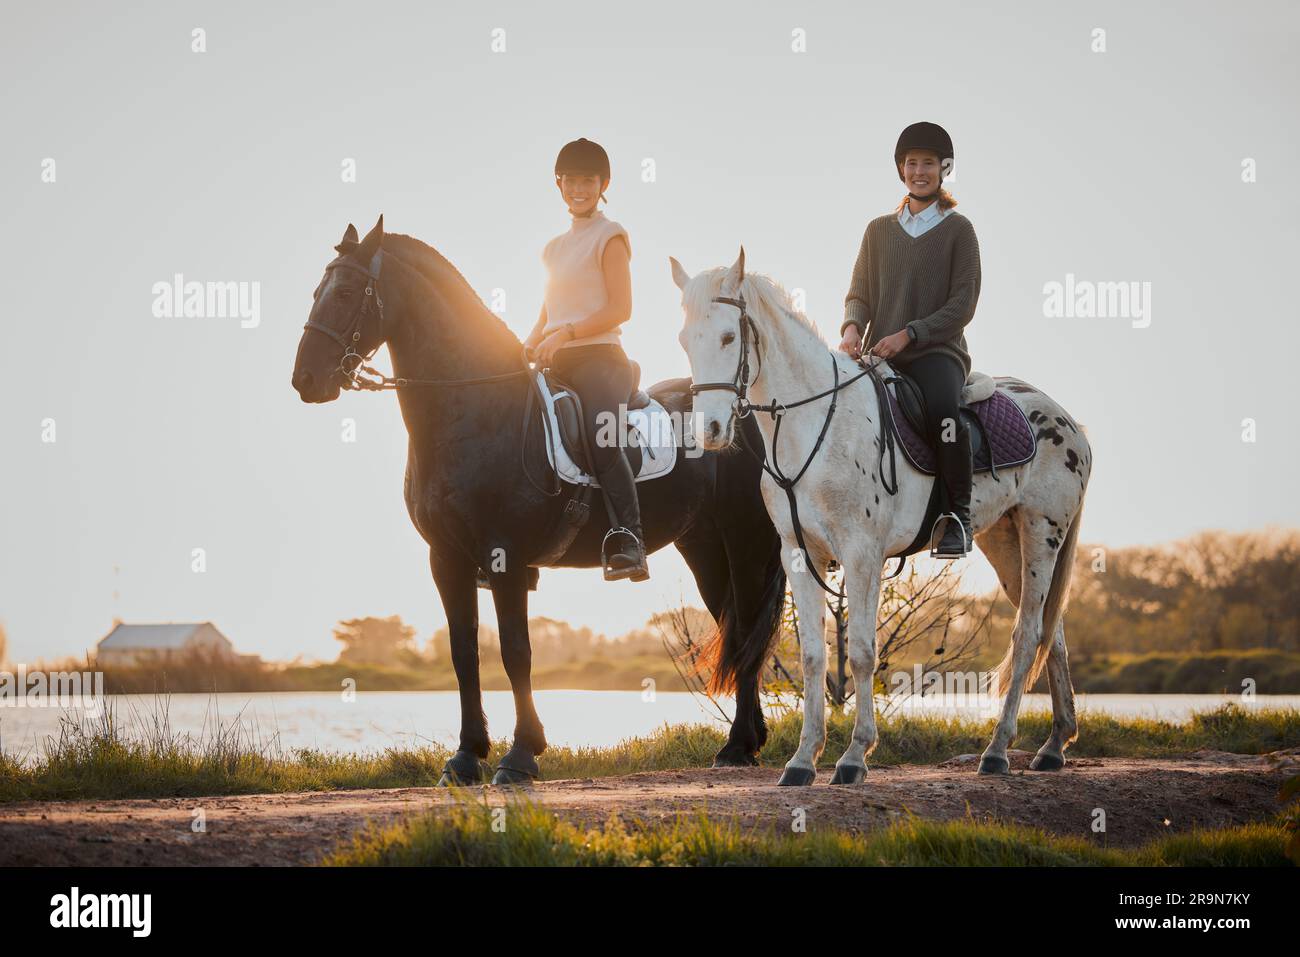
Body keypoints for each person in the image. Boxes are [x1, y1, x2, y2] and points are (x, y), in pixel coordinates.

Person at [838, 122, 982, 558]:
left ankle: (958, 516)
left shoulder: (960, 230)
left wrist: (910, 334)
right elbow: (859, 294)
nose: (920, 171)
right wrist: (849, 329)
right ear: (901, 169)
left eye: (929, 163)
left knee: (943, 414)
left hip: (936, 353)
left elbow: (963, 304)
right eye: (912, 163)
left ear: (944, 170)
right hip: (879, 354)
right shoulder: (878, 230)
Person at [524, 138, 649, 581]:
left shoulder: (610, 235)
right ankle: (520, 542)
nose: (579, 188)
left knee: (601, 435)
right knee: (513, 429)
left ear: (603, 184)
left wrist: (568, 334)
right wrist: (525, 346)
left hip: (601, 360)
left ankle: (629, 539)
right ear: (559, 185)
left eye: (588, 180)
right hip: (557, 360)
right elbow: (547, 314)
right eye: (571, 180)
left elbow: (621, 308)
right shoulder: (553, 248)